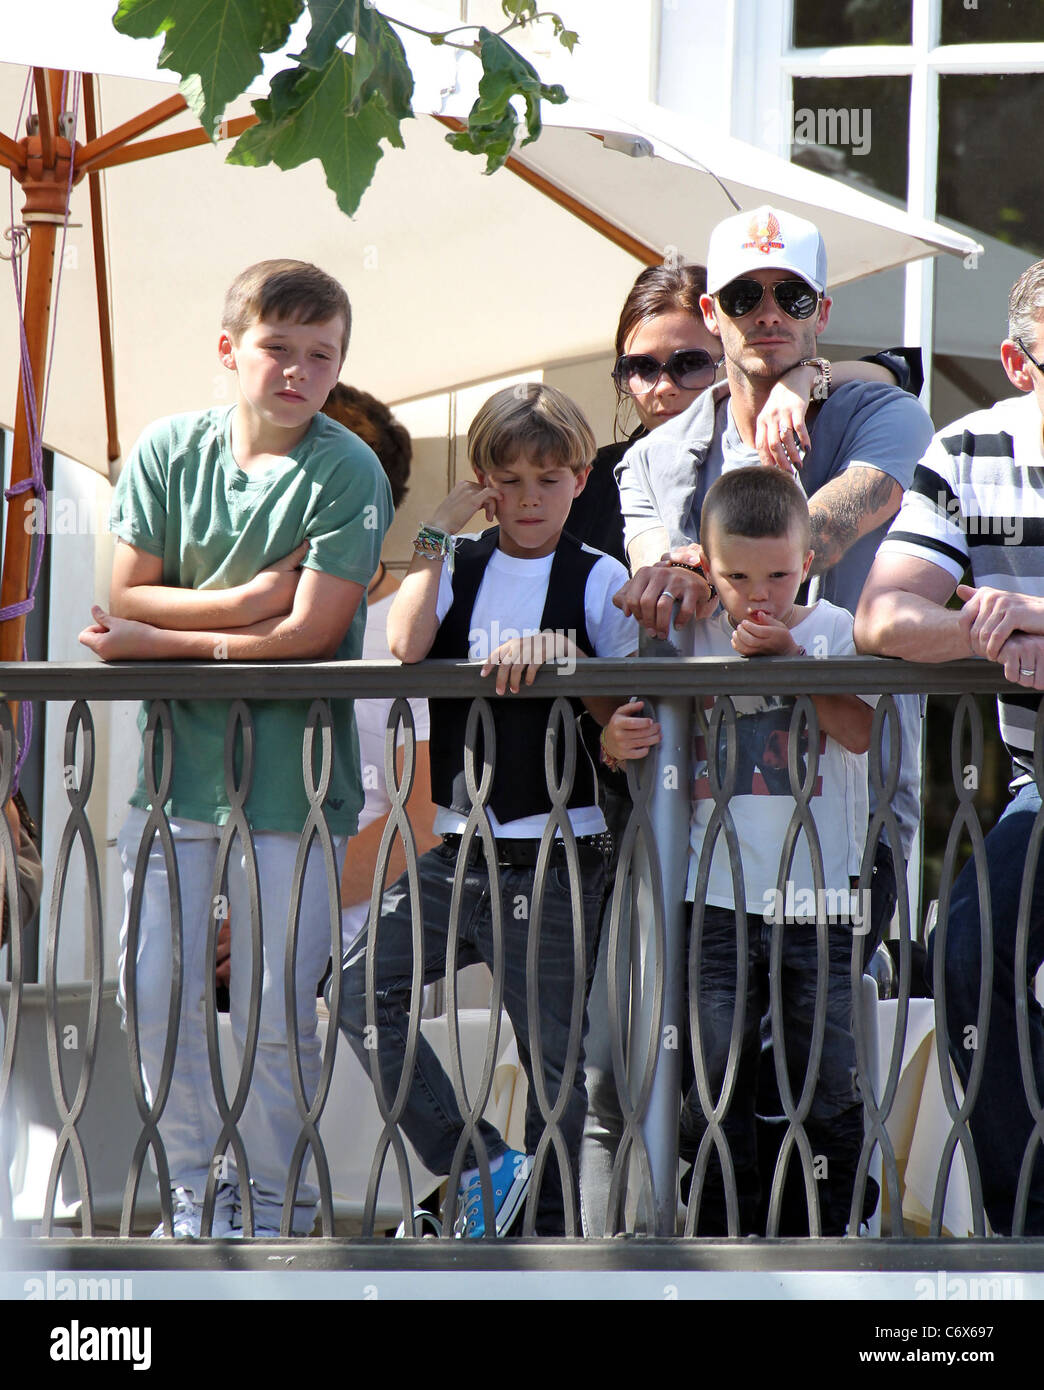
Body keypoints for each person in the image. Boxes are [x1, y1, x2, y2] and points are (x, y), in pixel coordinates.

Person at [79, 259, 392, 1238]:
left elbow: (310, 636)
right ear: (230, 350)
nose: (299, 370)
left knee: (270, 1013)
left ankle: (274, 1207)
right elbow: (127, 590)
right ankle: (190, 1196)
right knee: (153, 994)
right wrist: (253, 602)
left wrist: (178, 640)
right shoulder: (168, 450)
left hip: (295, 789)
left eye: (322, 355)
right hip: (176, 781)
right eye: (278, 348)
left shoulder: (350, 469)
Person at [337, 382, 638, 1237]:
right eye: (509, 479)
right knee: (358, 992)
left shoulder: (597, 576)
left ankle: (561, 1244)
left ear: (580, 480)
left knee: (558, 1071)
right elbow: (404, 645)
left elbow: (631, 722)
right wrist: (436, 530)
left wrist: (571, 661)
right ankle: (477, 1164)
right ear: (483, 483)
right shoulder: (458, 563)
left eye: (550, 477)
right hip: (457, 850)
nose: (530, 496)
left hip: (558, 856)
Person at [604, 465, 875, 1233]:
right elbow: (634, 731)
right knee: (714, 1063)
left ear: (809, 562)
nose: (759, 596)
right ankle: (729, 1221)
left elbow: (859, 732)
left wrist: (794, 662)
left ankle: (826, 1220)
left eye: (780, 575)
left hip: (820, 887)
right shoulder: (685, 634)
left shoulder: (833, 629)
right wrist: (613, 739)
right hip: (714, 887)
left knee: (821, 1065)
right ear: (705, 564)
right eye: (736, 576)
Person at [854, 258, 1044, 1235]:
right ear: (1020, 361)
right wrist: (985, 629)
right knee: (966, 955)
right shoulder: (969, 451)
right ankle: (1029, 1227)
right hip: (1039, 788)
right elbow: (882, 617)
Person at [319, 384, 439, 956]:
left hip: (353, 963)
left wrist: (273, 913)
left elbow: (420, 822)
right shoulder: (242, 622)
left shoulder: (413, 633)